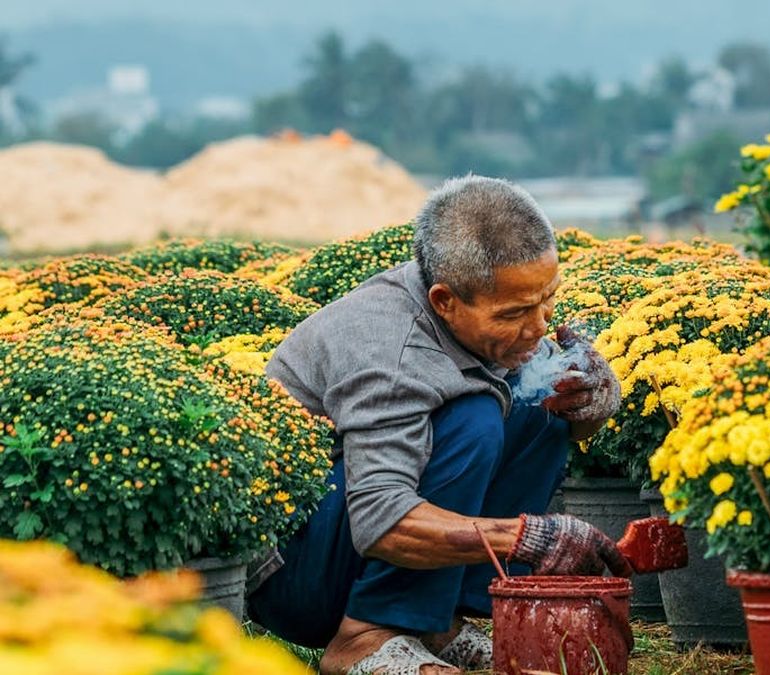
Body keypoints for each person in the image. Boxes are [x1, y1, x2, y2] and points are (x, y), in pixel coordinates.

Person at [246, 175, 631, 675]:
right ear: (445, 299)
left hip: (351, 541)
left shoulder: (481, 316)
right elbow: (381, 520)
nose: (539, 326)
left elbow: (547, 431)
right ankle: (366, 636)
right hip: (298, 571)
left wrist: (594, 401)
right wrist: (529, 537)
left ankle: (432, 621)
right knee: (473, 419)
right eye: (515, 312)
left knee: (541, 407)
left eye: (547, 299)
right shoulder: (393, 355)